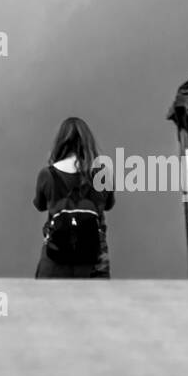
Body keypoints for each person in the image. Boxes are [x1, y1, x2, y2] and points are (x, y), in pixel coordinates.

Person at [34, 116, 114, 278]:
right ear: (88, 143)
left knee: (47, 301)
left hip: (55, 258)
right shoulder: (101, 173)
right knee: (98, 302)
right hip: (94, 259)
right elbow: (108, 204)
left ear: (60, 143)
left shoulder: (47, 174)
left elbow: (40, 204)